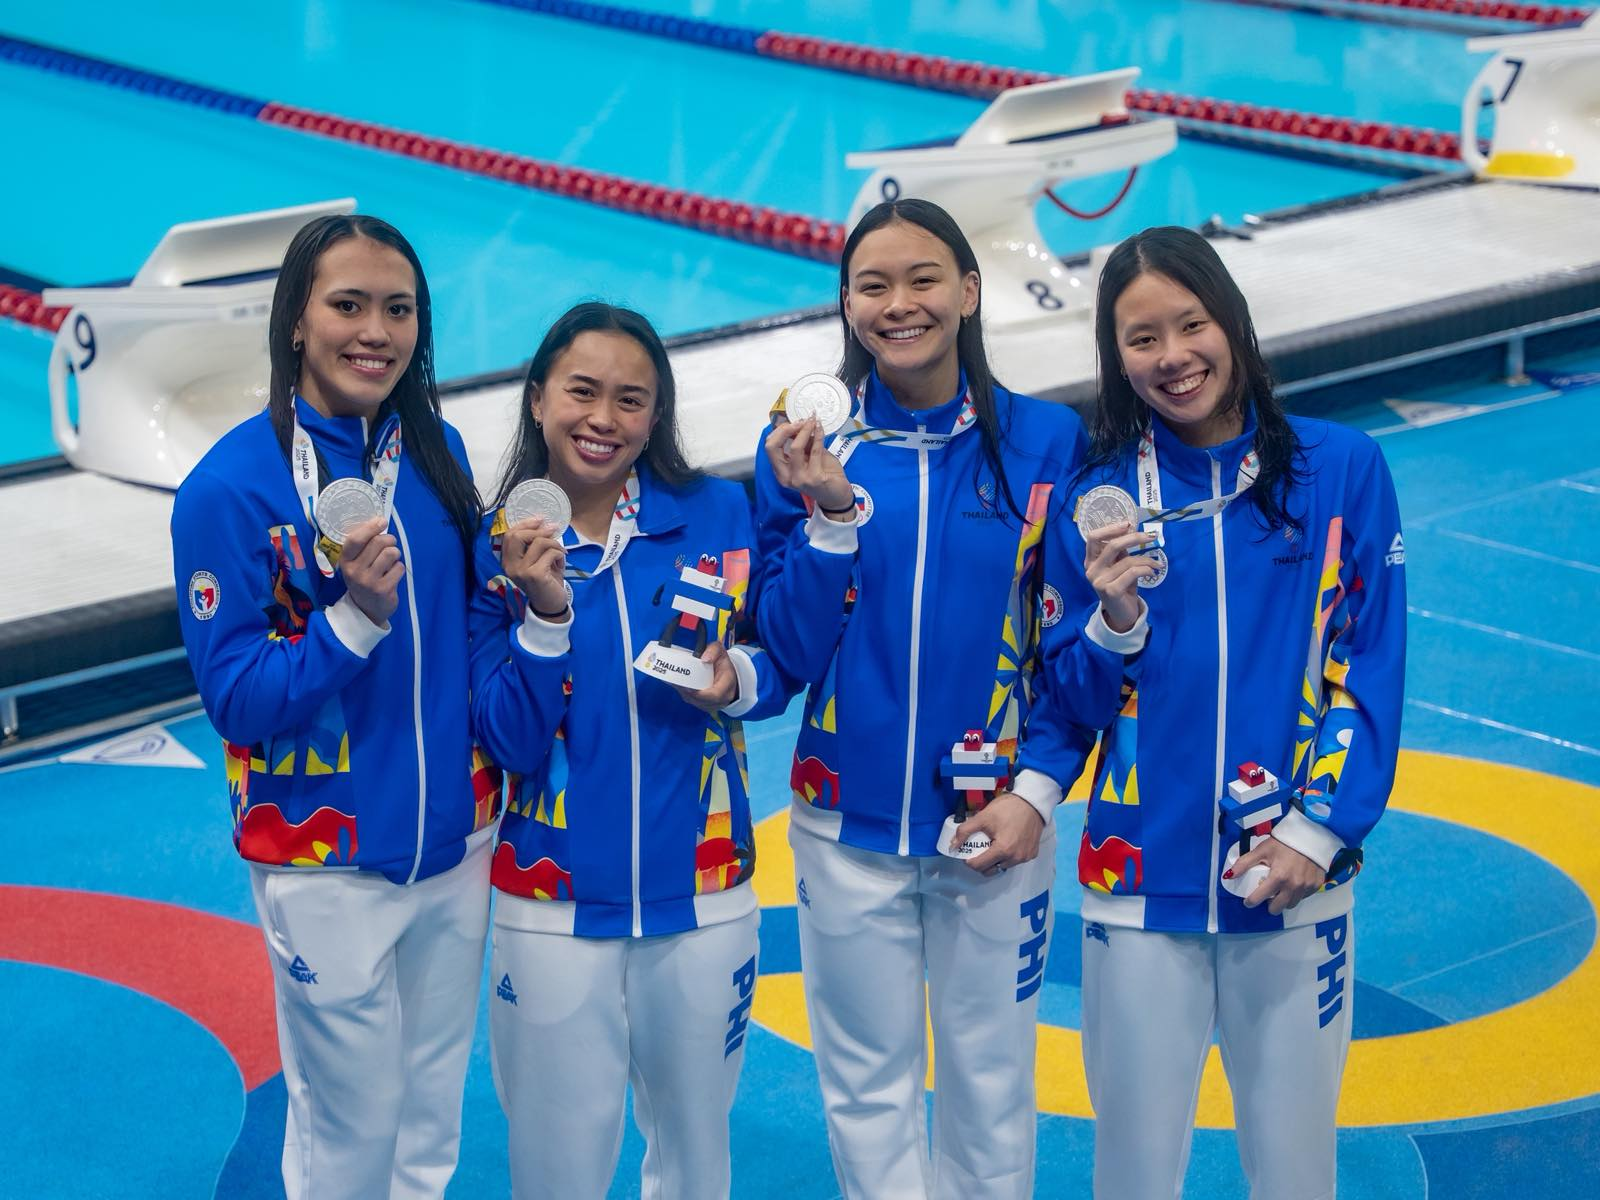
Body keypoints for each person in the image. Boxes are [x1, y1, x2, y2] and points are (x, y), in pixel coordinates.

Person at [1056, 225, 1406, 1199]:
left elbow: (1368, 665)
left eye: (1191, 324)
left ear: (1233, 323)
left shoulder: (1339, 471)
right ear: (1114, 356)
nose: (1172, 357)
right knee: (1130, 1174)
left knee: (1295, 1172)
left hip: (1292, 878)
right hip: (1137, 885)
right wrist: (1113, 620)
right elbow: (1068, 700)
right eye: (1141, 338)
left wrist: (1317, 832)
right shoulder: (1097, 499)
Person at [753, 197, 1092, 1199]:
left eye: (922, 279)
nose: (898, 304)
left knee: (991, 1080)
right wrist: (822, 513)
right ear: (846, 305)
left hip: (992, 820)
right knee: (866, 1085)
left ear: (969, 291)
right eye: (872, 285)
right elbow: (785, 646)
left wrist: (1035, 792)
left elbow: (1072, 646)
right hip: (842, 819)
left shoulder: (1046, 442)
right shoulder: (806, 446)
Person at [170, 214, 491, 1198]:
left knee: (430, 1126)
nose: (375, 331)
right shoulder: (230, 488)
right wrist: (355, 620)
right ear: (296, 323)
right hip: (325, 858)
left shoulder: (431, 452)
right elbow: (235, 700)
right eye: (347, 304)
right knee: (347, 1134)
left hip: (458, 844)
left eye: (398, 309)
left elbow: (472, 636)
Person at [468, 302, 790, 1200]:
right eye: (581, 392)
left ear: (659, 416)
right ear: (537, 400)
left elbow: (777, 658)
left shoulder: (718, 513)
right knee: (556, 1171)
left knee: (697, 1163)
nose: (603, 419)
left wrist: (739, 681)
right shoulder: (492, 544)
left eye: (631, 400)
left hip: (706, 889)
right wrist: (542, 613)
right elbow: (507, 738)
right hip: (551, 901)